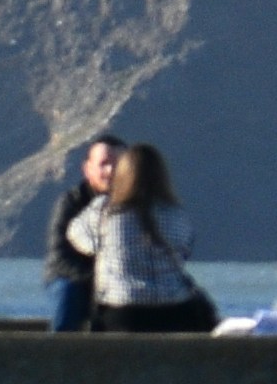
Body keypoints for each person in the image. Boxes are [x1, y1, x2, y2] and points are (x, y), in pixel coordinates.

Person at [80, 141, 216, 334]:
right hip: (175, 311)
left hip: (122, 312)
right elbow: (185, 248)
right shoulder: (175, 214)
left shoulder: (103, 211)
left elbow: (77, 237)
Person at [41, 134, 127, 334]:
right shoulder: (70, 203)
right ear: (88, 169)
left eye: (118, 164)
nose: (111, 171)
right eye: (104, 164)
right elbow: (60, 258)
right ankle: (57, 357)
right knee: (67, 295)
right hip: (74, 279)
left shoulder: (138, 207)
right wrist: (97, 280)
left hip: (121, 285)